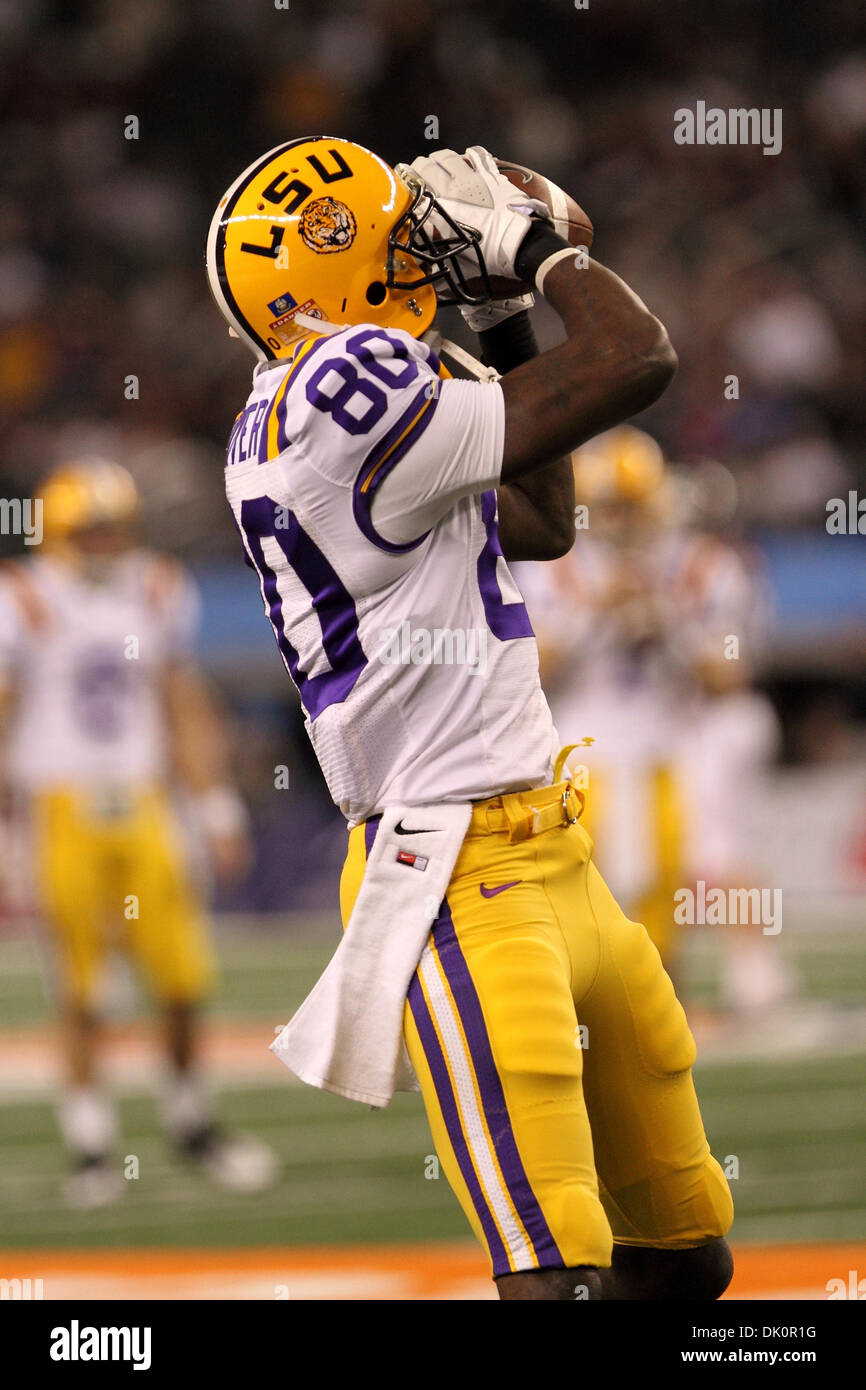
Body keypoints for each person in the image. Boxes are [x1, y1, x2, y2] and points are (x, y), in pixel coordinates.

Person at [207, 138, 732, 1299]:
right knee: (555, 1278)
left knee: (686, 1258)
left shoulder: (323, 400)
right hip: (455, 872)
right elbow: (634, 357)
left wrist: (495, 315)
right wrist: (528, 252)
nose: (420, 244)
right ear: (330, 270)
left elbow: (543, 517)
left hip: (557, 850)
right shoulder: (344, 394)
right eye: (395, 231)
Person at [0, 459, 275, 1206]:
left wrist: (216, 804)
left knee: (183, 978)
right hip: (59, 806)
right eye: (89, 529)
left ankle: (191, 1122)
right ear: (57, 533)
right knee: (82, 990)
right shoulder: (20, 597)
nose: (104, 541)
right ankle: (91, 1145)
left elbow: (181, 700)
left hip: (149, 803)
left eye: (114, 527)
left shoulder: (155, 586)